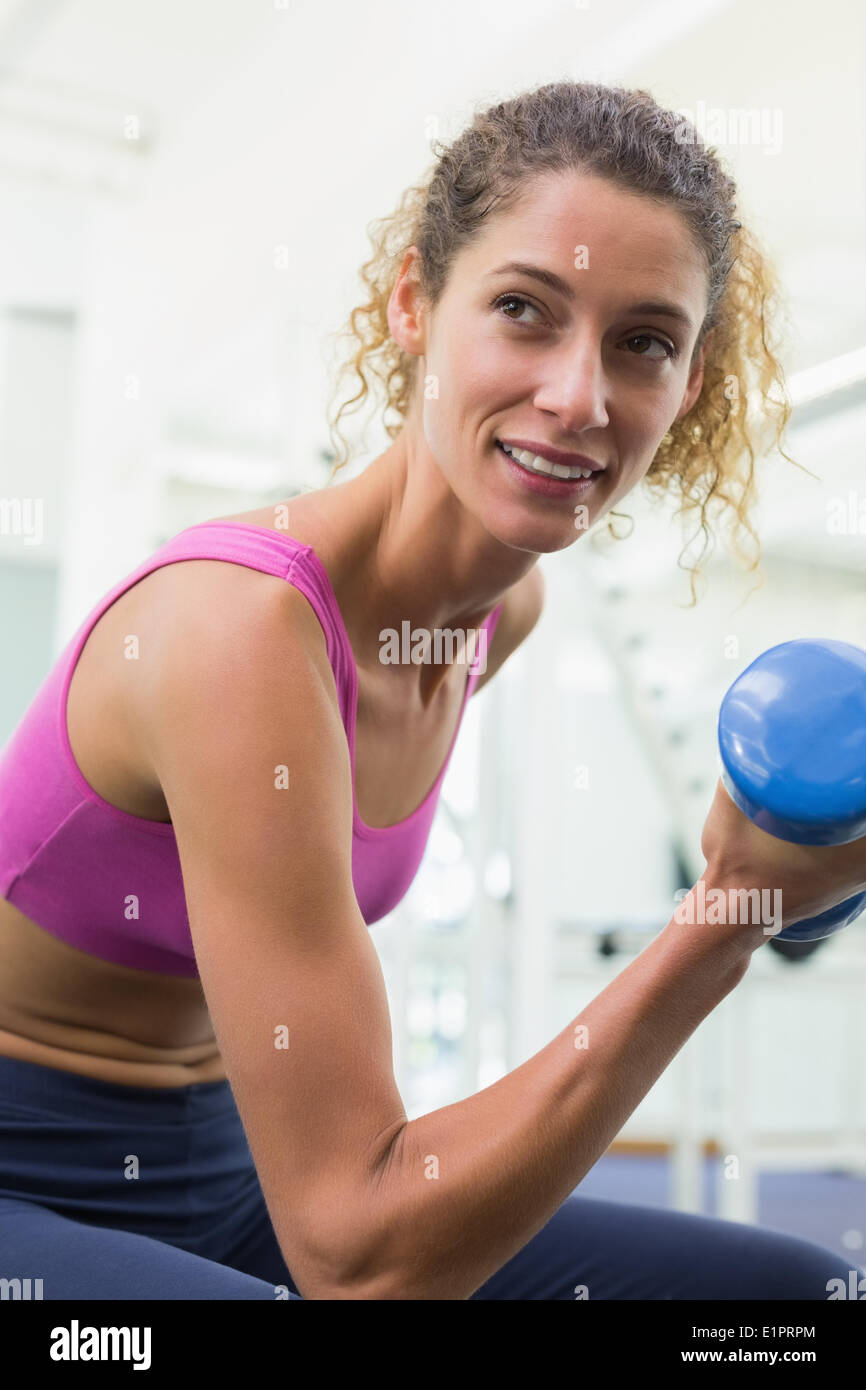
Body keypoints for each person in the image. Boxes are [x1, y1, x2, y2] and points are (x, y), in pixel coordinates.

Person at [0, 79, 863, 1301]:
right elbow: (358, 1259)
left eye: (643, 342)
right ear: (413, 304)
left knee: (792, 1302)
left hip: (238, 1176)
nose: (578, 395)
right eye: (523, 311)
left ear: (690, 384)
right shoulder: (236, 630)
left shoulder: (500, 612)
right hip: (25, 1184)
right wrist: (721, 921)